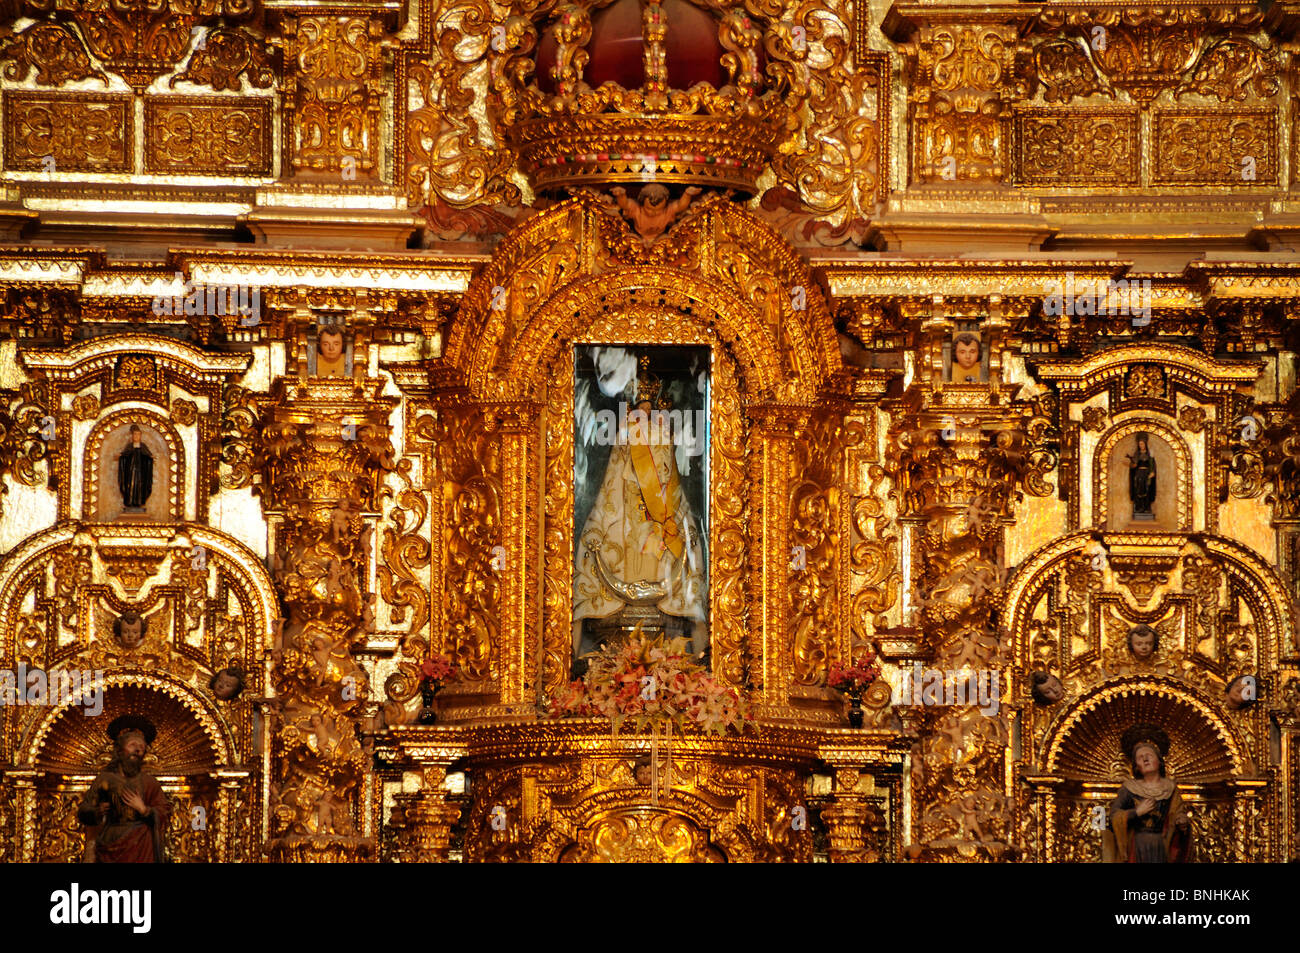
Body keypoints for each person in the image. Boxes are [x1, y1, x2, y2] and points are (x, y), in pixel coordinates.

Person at [573, 356, 707, 656]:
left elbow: (667, 473)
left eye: (648, 408)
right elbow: (616, 477)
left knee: (674, 547)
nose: (644, 413)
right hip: (629, 510)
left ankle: (697, 645)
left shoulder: (663, 432)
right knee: (615, 542)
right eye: (639, 409)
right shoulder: (624, 433)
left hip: (659, 514)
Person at [77, 715, 171, 863]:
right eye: (133, 745)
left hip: (141, 844)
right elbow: (83, 811)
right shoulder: (105, 779)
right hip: (110, 841)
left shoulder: (149, 782)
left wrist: (144, 810)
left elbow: (164, 812)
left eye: (141, 747)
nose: (137, 750)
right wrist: (97, 811)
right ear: (120, 750)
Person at [1104, 725, 1190, 863]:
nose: (1145, 760)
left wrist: (1182, 821)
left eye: (1149, 756)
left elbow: (1176, 813)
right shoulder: (1129, 788)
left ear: (1159, 761)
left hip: (1160, 845)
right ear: (1136, 766)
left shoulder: (1171, 788)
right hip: (1136, 845)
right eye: (1140, 758)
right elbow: (1113, 817)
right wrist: (1136, 812)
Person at [117, 425, 153, 510]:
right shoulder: (129, 446)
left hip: (141, 472)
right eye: (134, 434)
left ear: (140, 436)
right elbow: (125, 455)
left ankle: (139, 502)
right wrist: (121, 456)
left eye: (138, 434)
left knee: (140, 486)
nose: (136, 436)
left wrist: (150, 458)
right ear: (132, 436)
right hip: (129, 471)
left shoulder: (143, 446)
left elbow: (147, 456)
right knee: (129, 485)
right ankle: (129, 502)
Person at [1126, 433, 1157, 519]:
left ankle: (1146, 508)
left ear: (1145, 444)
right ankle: (1139, 508)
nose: (1141, 445)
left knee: (1147, 490)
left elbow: (1152, 464)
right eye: (1140, 444)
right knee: (1138, 491)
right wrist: (1133, 465)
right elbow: (1132, 466)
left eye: (1142, 444)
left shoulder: (1149, 455)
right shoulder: (1137, 454)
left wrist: (1153, 472)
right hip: (1139, 475)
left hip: (1147, 475)